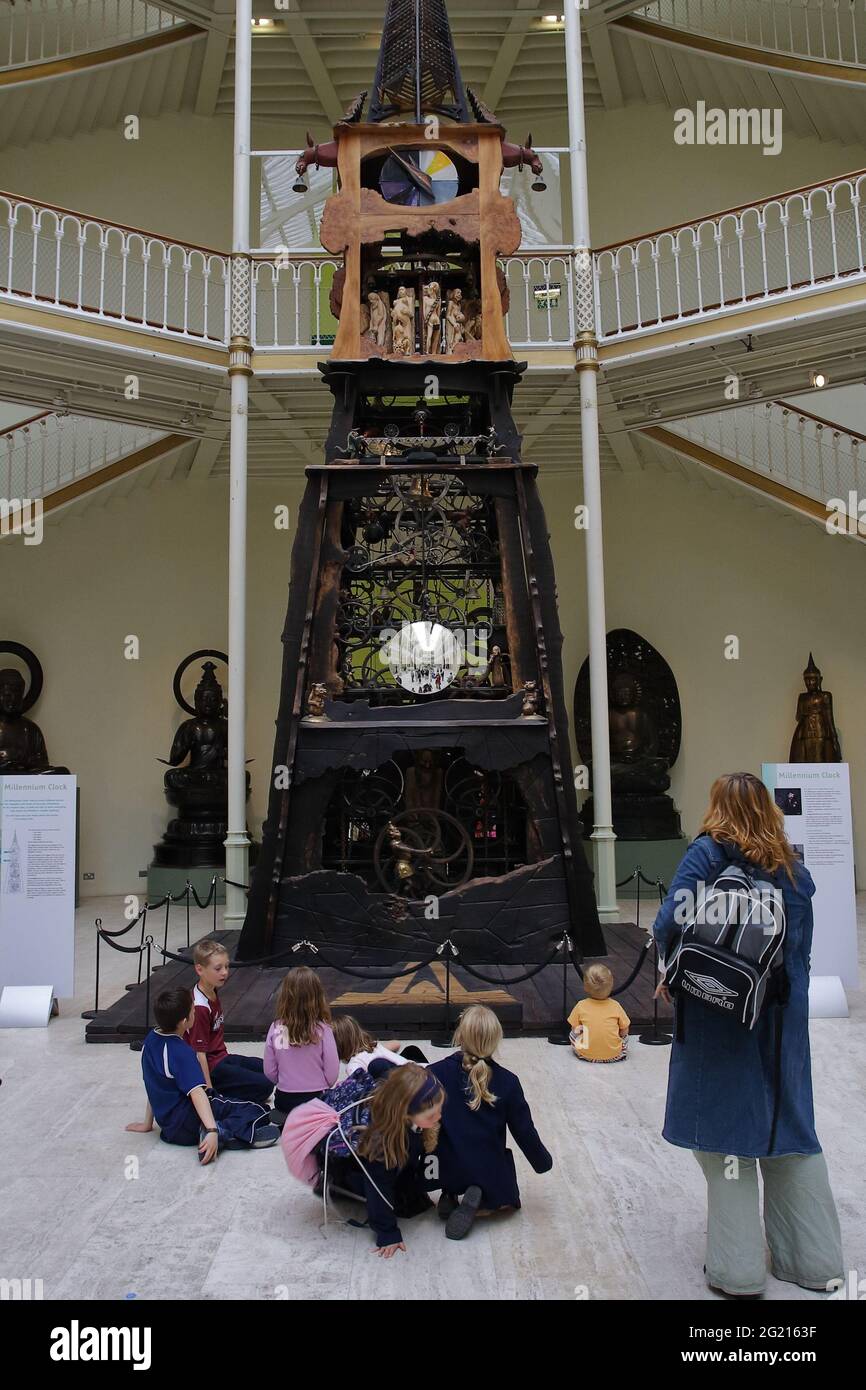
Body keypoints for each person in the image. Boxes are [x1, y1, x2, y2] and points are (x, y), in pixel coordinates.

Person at [652, 771, 844, 1299]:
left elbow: (669, 921)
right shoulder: (793, 871)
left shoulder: (707, 855)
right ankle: (815, 1262)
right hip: (783, 1018)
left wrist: (669, 971)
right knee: (790, 1131)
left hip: (721, 1016)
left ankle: (738, 1272)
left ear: (718, 808)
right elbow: (800, 951)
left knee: (727, 1140)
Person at [429, 1005, 553, 1241]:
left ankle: (449, 1191)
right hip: (487, 1169)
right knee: (504, 1192)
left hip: (447, 1165)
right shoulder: (508, 1082)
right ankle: (481, 1199)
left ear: (460, 1036)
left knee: (444, 1144)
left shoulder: (435, 1073)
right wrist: (542, 1161)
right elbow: (524, 1131)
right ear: (496, 1040)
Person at [126, 987, 279, 1158]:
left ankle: (217, 1130)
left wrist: (148, 1123)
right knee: (260, 1110)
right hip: (190, 1122)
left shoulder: (150, 1041)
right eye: (193, 1011)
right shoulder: (182, 1052)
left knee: (234, 1103)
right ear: (185, 1021)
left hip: (170, 1129)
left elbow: (152, 1085)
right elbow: (198, 1093)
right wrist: (212, 1129)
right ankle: (221, 1132)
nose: (195, 1013)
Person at [348, 1064, 445, 1258]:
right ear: (405, 1113)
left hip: (399, 1150)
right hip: (354, 1173)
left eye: (439, 1110)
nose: (439, 1116)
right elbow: (377, 1189)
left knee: (407, 1159)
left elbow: (380, 1065)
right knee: (383, 1177)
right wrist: (387, 1232)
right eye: (431, 1115)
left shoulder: (408, 1113)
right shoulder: (383, 1143)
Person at [184, 939, 272, 1105]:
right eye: (218, 968)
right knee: (265, 1085)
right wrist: (209, 1090)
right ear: (199, 969)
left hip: (222, 1056)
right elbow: (199, 1053)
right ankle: (224, 1090)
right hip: (212, 1066)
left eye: (227, 966)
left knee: (270, 1069)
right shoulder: (200, 1007)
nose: (224, 972)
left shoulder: (212, 990)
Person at [264, 966, 339, 1116]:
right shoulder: (323, 1030)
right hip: (317, 1098)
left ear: (285, 996)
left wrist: (285, 1080)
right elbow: (332, 1073)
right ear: (318, 997)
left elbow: (270, 1071)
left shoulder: (277, 1028)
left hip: (285, 1099)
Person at [568, 963, 630, 1063]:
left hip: (585, 1055)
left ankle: (589, 1050)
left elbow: (575, 1029)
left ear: (585, 987)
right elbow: (625, 1030)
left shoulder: (581, 1005)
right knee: (625, 1036)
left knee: (572, 1033)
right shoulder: (616, 1006)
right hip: (615, 1055)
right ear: (611, 986)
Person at [331, 1015, 428, 1076]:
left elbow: (360, 1089)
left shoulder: (354, 1065)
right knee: (411, 1050)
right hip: (422, 1069)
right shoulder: (374, 1046)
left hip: (413, 1082)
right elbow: (396, 1044)